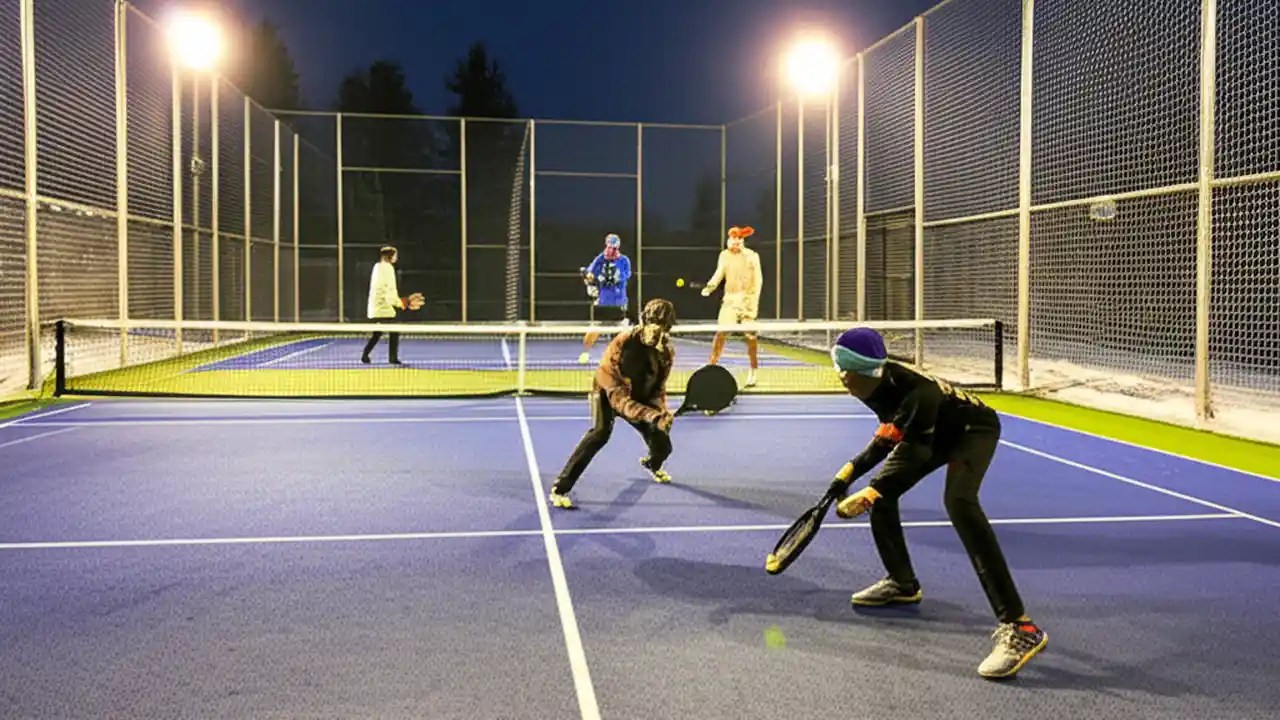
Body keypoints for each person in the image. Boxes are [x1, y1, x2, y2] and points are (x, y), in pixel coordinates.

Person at [824, 327, 1047, 679]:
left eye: (842, 370)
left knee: (958, 500)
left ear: (854, 371)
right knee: (884, 495)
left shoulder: (916, 392)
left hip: (973, 430)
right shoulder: (873, 385)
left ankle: (1020, 627)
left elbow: (914, 451)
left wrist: (871, 490)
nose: (839, 378)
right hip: (936, 433)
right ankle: (902, 583)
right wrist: (849, 471)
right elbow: (892, 435)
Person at [551, 298, 678, 509]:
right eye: (653, 323)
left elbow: (658, 388)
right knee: (600, 433)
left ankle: (652, 463)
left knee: (662, 442)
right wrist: (652, 415)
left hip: (639, 397)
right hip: (608, 391)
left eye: (661, 325)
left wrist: (662, 411)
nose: (656, 330)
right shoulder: (624, 343)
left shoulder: (666, 354)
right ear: (644, 321)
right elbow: (619, 401)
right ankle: (560, 487)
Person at [701, 225, 763, 387]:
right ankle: (711, 366)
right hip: (730, 300)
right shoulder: (724, 255)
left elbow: (758, 280)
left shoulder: (752, 256)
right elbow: (719, 272)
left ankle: (753, 371)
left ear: (742, 240)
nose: (735, 241)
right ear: (729, 240)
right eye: (732, 238)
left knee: (751, 338)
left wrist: (753, 301)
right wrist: (710, 286)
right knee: (720, 333)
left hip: (748, 301)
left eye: (738, 238)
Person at [578, 233, 633, 364]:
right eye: (609, 247)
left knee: (622, 335)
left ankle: (620, 358)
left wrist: (610, 276)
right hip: (603, 303)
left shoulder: (624, 260)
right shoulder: (600, 259)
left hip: (619, 303)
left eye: (614, 248)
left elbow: (624, 277)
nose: (611, 250)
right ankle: (585, 353)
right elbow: (590, 274)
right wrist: (589, 279)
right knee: (594, 331)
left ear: (618, 247)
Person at [362, 246, 404, 365]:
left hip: (374, 307)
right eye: (395, 255)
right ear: (390, 256)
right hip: (383, 308)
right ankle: (393, 358)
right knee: (395, 330)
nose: (396, 257)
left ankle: (365, 355)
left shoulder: (377, 266)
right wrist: (399, 303)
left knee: (377, 333)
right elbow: (389, 290)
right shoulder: (388, 269)